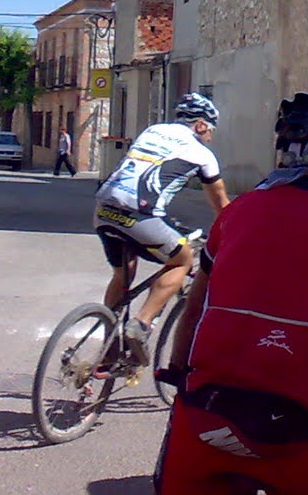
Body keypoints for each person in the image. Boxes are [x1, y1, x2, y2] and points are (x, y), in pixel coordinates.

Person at [154, 92, 308, 495]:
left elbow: (193, 313)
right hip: (303, 431)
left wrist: (179, 372)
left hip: (208, 415)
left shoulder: (236, 213)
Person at [92, 92, 230, 367]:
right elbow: (220, 203)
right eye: (210, 130)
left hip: (103, 209)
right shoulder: (203, 154)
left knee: (124, 272)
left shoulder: (152, 131)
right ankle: (141, 325)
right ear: (201, 125)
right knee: (183, 259)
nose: (210, 137)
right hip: (141, 216)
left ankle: (110, 343)